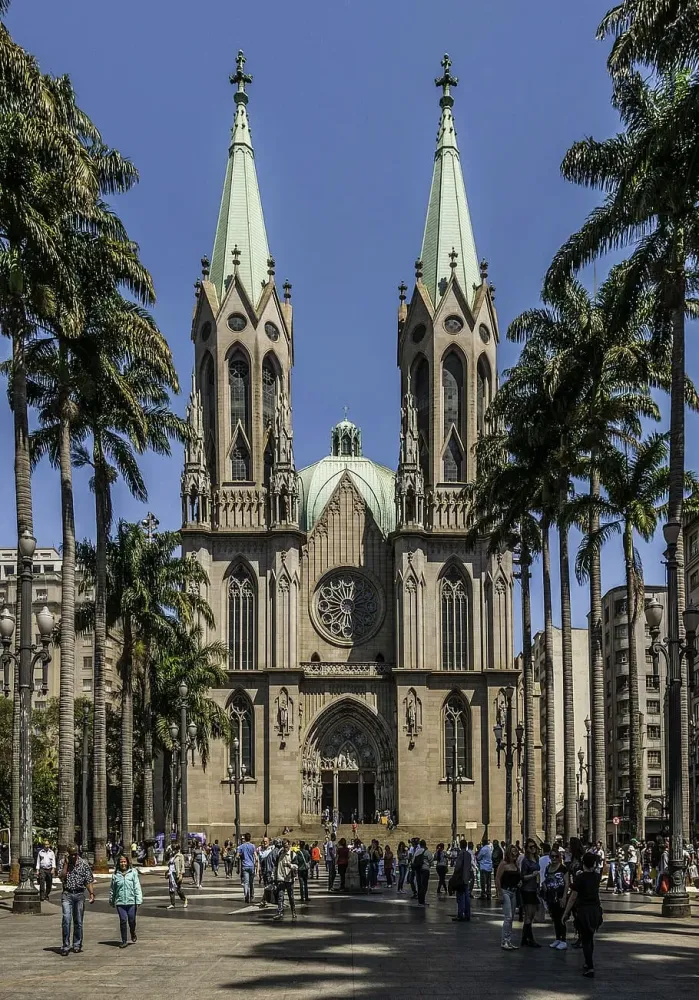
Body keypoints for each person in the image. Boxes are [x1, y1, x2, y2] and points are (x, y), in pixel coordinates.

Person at [563, 851, 603, 977]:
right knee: (590, 937)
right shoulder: (597, 876)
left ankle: (590, 966)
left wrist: (566, 912)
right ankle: (588, 962)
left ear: (583, 863)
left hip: (584, 910)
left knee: (585, 938)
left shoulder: (580, 878)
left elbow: (573, 896)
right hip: (595, 909)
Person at [60, 846, 95, 956]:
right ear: (68, 854)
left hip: (79, 894)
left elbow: (88, 880)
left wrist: (91, 893)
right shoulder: (63, 862)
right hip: (67, 893)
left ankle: (77, 944)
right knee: (66, 919)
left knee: (78, 921)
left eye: (75, 854)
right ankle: (66, 945)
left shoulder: (83, 864)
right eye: (72, 855)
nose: (74, 856)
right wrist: (66, 864)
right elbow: (61, 877)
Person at [109, 854, 143, 948]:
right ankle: (124, 940)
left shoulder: (133, 873)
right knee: (123, 920)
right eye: (121, 862)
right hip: (120, 902)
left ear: (127, 862)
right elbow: (113, 889)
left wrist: (138, 899)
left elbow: (137, 887)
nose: (123, 863)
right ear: (118, 863)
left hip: (131, 901)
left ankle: (132, 932)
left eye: (124, 861)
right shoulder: (115, 875)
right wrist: (112, 900)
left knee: (132, 920)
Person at [542, 845, 569, 950]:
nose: (554, 858)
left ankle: (563, 939)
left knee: (561, 918)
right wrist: (544, 884)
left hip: (560, 896)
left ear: (559, 857)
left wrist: (564, 897)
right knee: (554, 918)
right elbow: (546, 879)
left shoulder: (563, 868)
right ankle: (557, 938)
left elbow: (567, 883)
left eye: (556, 856)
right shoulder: (548, 868)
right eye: (552, 856)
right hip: (550, 896)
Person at [495, 844, 521, 949]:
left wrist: (519, 883)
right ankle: (504, 941)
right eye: (512, 852)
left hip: (514, 892)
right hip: (505, 891)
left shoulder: (516, 865)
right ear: (508, 853)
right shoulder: (503, 864)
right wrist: (499, 893)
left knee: (511, 918)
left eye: (516, 852)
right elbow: (497, 878)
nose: (515, 854)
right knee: (508, 917)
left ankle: (508, 940)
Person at [519, 839, 541, 947]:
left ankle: (524, 938)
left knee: (531, 915)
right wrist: (532, 875)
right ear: (527, 849)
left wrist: (538, 885)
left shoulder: (536, 859)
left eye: (534, 847)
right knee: (528, 914)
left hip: (534, 888)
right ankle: (530, 939)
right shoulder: (525, 861)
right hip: (527, 889)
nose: (533, 849)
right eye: (530, 847)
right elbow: (522, 877)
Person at [274, 839, 298, 920]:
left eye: (287, 846)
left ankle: (293, 911)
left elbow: (296, 866)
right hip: (281, 878)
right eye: (284, 846)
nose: (285, 848)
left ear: (289, 845)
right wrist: (275, 876)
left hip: (289, 879)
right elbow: (276, 865)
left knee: (291, 896)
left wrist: (290, 865)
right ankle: (279, 912)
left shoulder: (292, 854)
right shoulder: (280, 854)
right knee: (280, 896)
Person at [450, 839, 472, 922]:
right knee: (467, 897)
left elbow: (458, 867)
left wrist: (454, 876)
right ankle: (467, 914)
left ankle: (460, 914)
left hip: (460, 878)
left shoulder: (461, 854)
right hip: (466, 878)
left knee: (460, 897)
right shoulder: (468, 855)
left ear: (460, 845)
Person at [237, 833, 258, 903]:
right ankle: (252, 895)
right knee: (251, 882)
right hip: (251, 866)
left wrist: (241, 856)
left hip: (245, 866)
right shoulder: (253, 846)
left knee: (246, 883)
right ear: (250, 838)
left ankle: (246, 895)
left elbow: (237, 856)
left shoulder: (241, 847)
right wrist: (256, 863)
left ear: (244, 838)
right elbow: (256, 856)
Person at [167, 843, 188, 908]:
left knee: (178, 889)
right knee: (171, 889)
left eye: (174, 849)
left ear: (177, 849)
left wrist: (181, 874)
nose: (173, 850)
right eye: (173, 849)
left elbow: (182, 866)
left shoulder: (180, 856)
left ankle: (184, 899)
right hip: (171, 874)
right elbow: (169, 864)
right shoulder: (171, 856)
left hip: (177, 874)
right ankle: (172, 904)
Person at [413, 839, 433, 906]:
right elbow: (431, 862)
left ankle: (420, 901)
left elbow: (413, 861)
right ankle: (422, 901)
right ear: (425, 845)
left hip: (418, 870)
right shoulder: (427, 852)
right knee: (424, 886)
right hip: (425, 870)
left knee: (419, 885)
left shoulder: (416, 852)